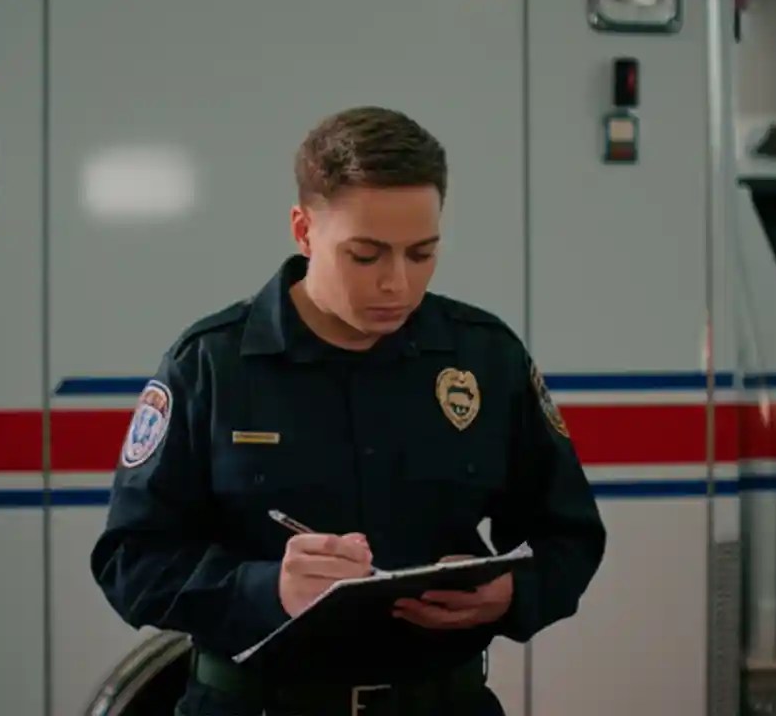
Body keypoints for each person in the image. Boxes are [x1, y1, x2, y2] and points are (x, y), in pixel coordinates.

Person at [90, 106, 607, 716]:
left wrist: (512, 592)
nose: (397, 284)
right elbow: (131, 563)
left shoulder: (484, 356)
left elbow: (570, 535)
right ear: (304, 231)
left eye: (422, 254)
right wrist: (267, 589)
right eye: (366, 256)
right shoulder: (210, 365)